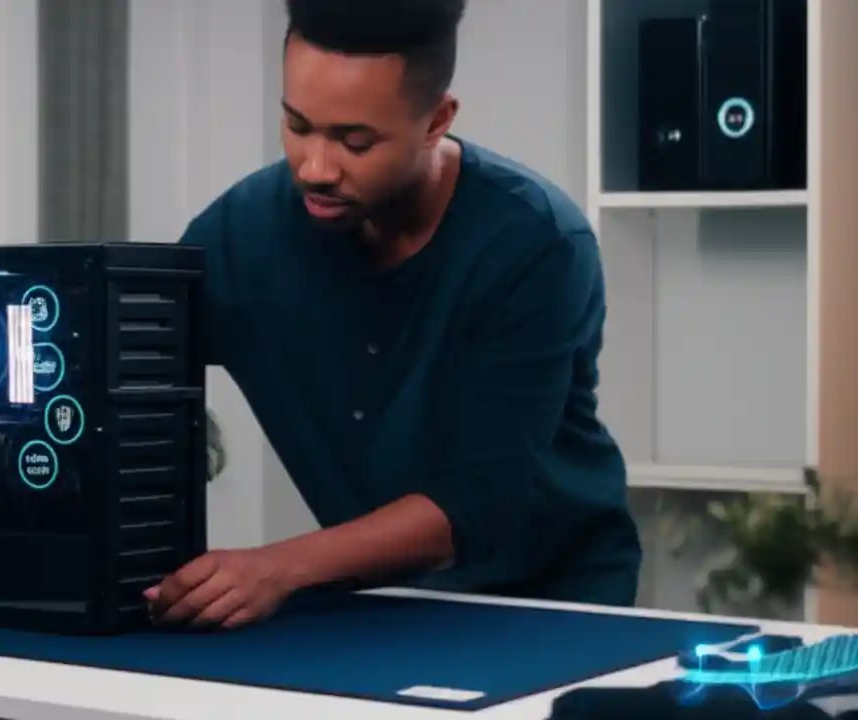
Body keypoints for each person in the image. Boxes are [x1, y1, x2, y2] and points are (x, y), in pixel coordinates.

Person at [143, 0, 642, 630]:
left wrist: (275, 567)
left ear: (436, 120)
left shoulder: (536, 244)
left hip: (553, 597)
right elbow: (132, 363)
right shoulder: (237, 235)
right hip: (378, 600)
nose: (316, 168)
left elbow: (477, 502)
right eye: (297, 126)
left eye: (355, 141)